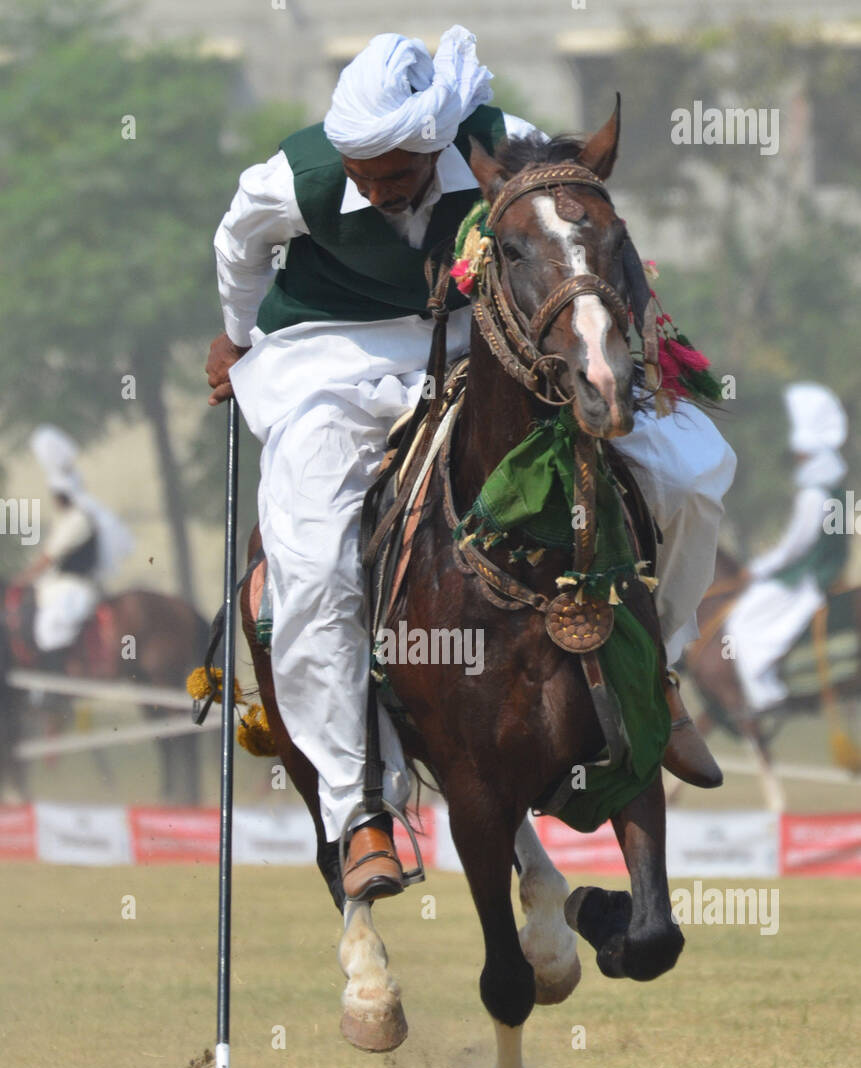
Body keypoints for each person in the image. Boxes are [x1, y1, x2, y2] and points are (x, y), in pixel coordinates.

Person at [206, 27, 736, 902]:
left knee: (689, 469)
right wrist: (233, 336)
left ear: (436, 144)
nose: (375, 190)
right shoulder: (290, 177)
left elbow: (585, 232)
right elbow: (238, 246)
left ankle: (658, 677)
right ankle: (356, 811)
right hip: (328, 359)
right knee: (307, 562)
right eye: (359, 172)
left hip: (471, 345)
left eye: (395, 174)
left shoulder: (502, 147)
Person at [726, 382, 849, 713]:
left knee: (740, 622)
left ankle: (768, 695)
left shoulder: (815, 494)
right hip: (826, 568)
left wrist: (758, 568)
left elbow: (795, 548)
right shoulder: (836, 488)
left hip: (807, 576)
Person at [18, 426, 134, 654]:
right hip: (58, 584)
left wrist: (22, 580)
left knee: (48, 631)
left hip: (72, 588)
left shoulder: (77, 520)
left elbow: (47, 558)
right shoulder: (66, 519)